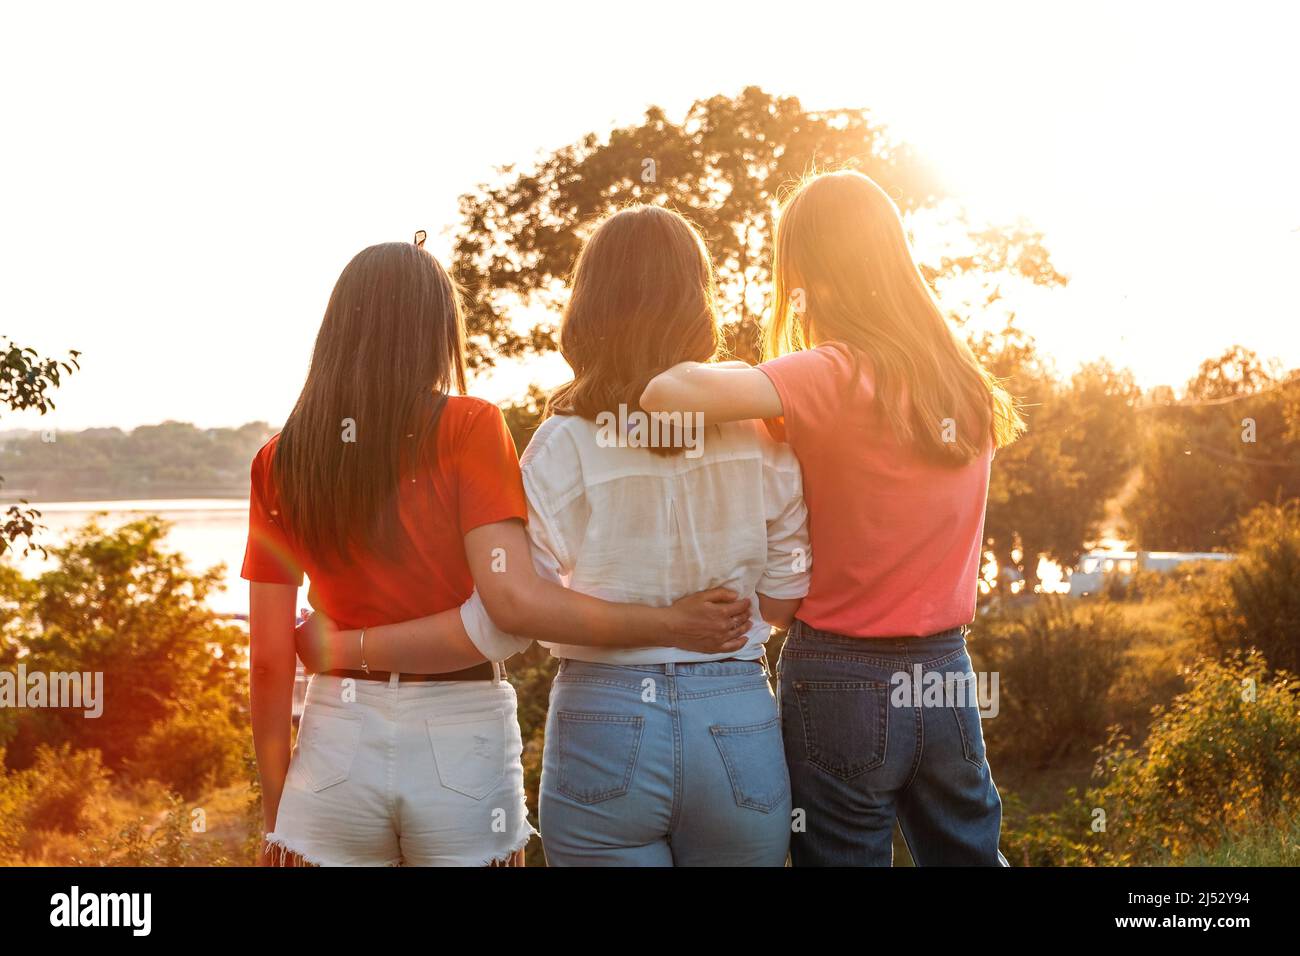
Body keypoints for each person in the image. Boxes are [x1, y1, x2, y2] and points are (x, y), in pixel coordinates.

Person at [302, 207, 810, 865]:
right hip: (736, 716)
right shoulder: (759, 435)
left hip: (606, 717)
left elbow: (509, 616)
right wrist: (703, 626)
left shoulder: (563, 443)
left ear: (589, 305)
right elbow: (785, 596)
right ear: (698, 300)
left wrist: (350, 645)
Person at [641, 171, 1022, 866]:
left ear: (808, 271)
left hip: (840, 675)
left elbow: (666, 395)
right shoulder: (964, 384)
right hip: (946, 671)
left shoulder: (829, 373)